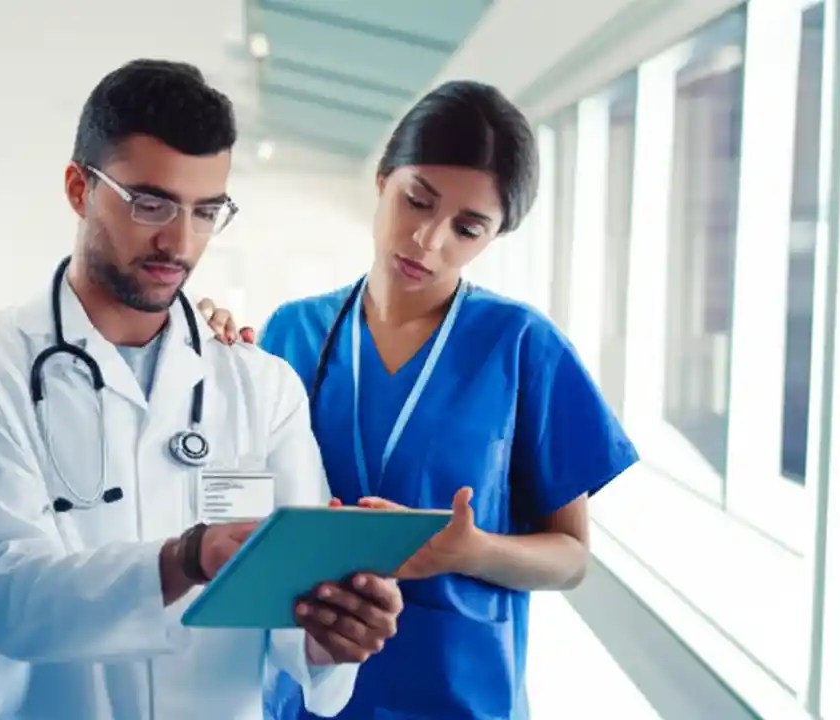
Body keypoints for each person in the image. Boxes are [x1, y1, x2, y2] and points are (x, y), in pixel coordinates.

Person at [0, 59, 402, 720]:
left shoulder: (261, 387)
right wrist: (184, 559)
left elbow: (293, 601)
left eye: (206, 211)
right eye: (150, 204)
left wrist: (332, 635)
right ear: (77, 188)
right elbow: (4, 596)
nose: (179, 241)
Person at [199, 80, 640, 719]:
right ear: (382, 179)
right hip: (310, 693)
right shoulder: (292, 331)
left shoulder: (522, 346)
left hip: (459, 696)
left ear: (496, 235)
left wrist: (473, 550)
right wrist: (210, 361)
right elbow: (234, 500)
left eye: (468, 227)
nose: (429, 241)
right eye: (417, 201)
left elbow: (570, 559)